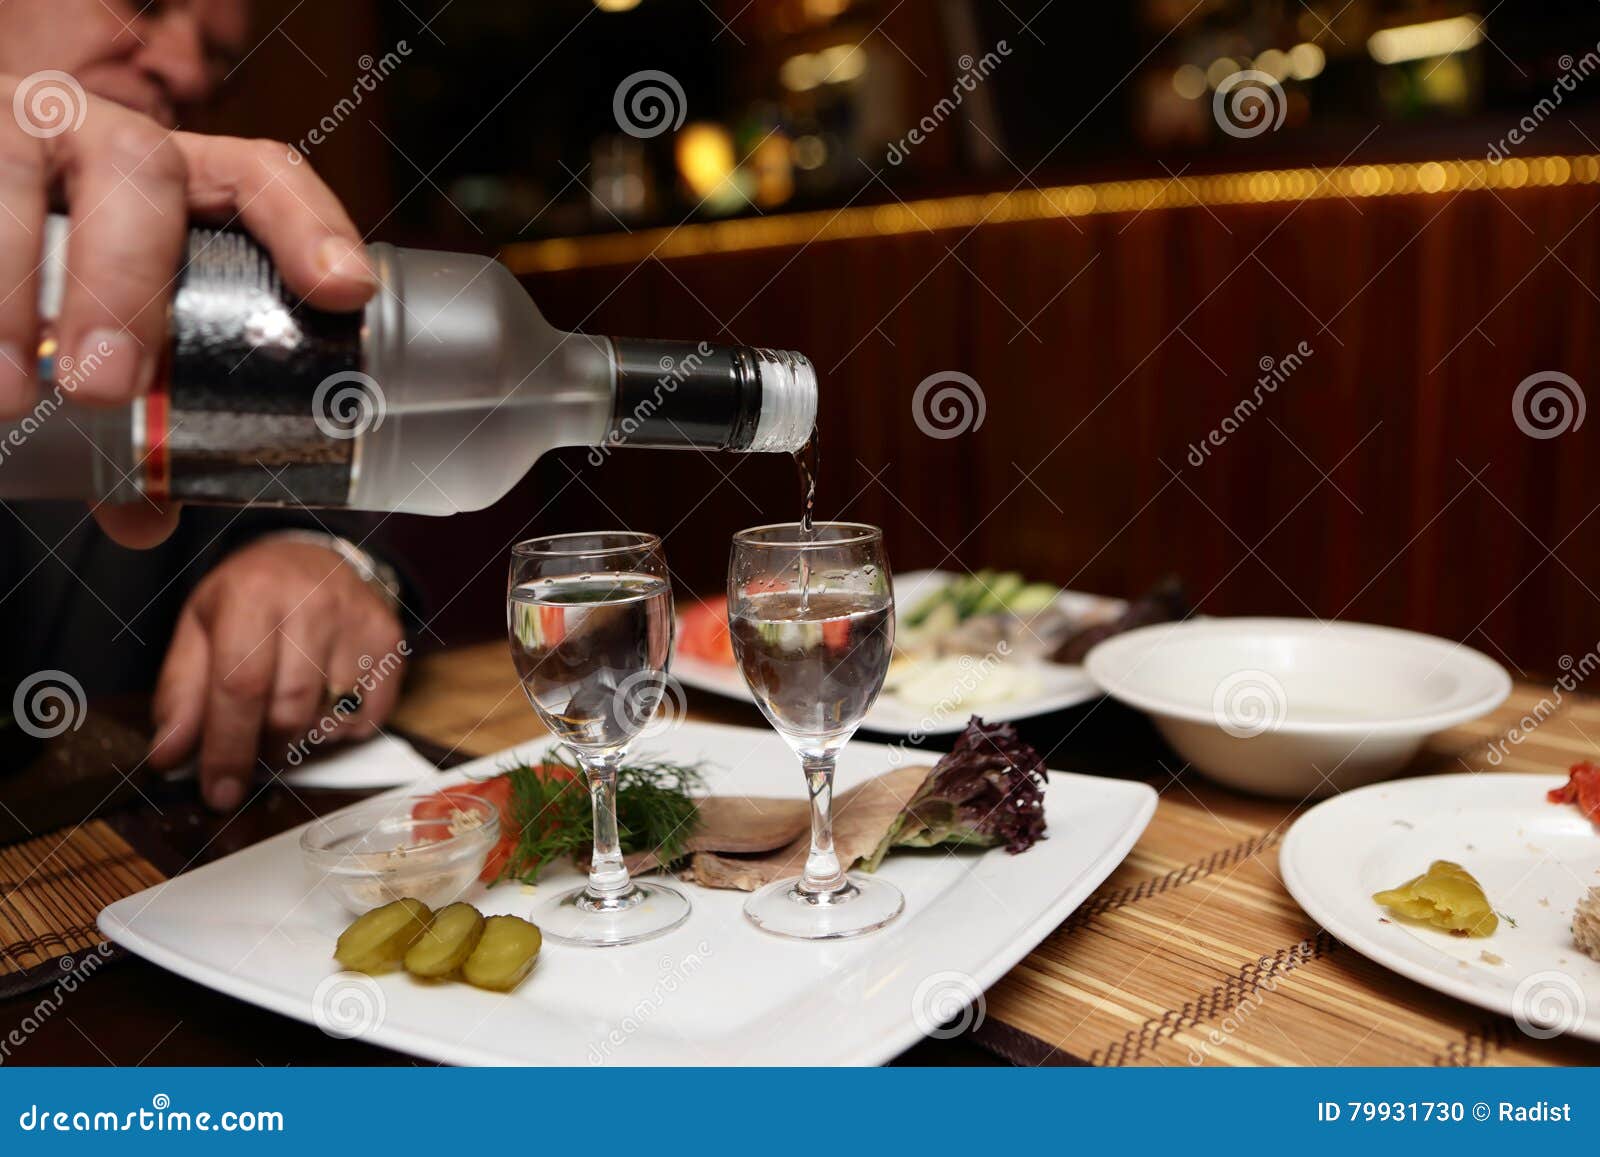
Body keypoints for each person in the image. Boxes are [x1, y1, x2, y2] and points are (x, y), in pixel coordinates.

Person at [0, 0, 410, 811]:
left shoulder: (198, 297)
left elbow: (298, 507)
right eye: (144, 3)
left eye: (220, 57)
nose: (188, 72)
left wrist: (319, 563)